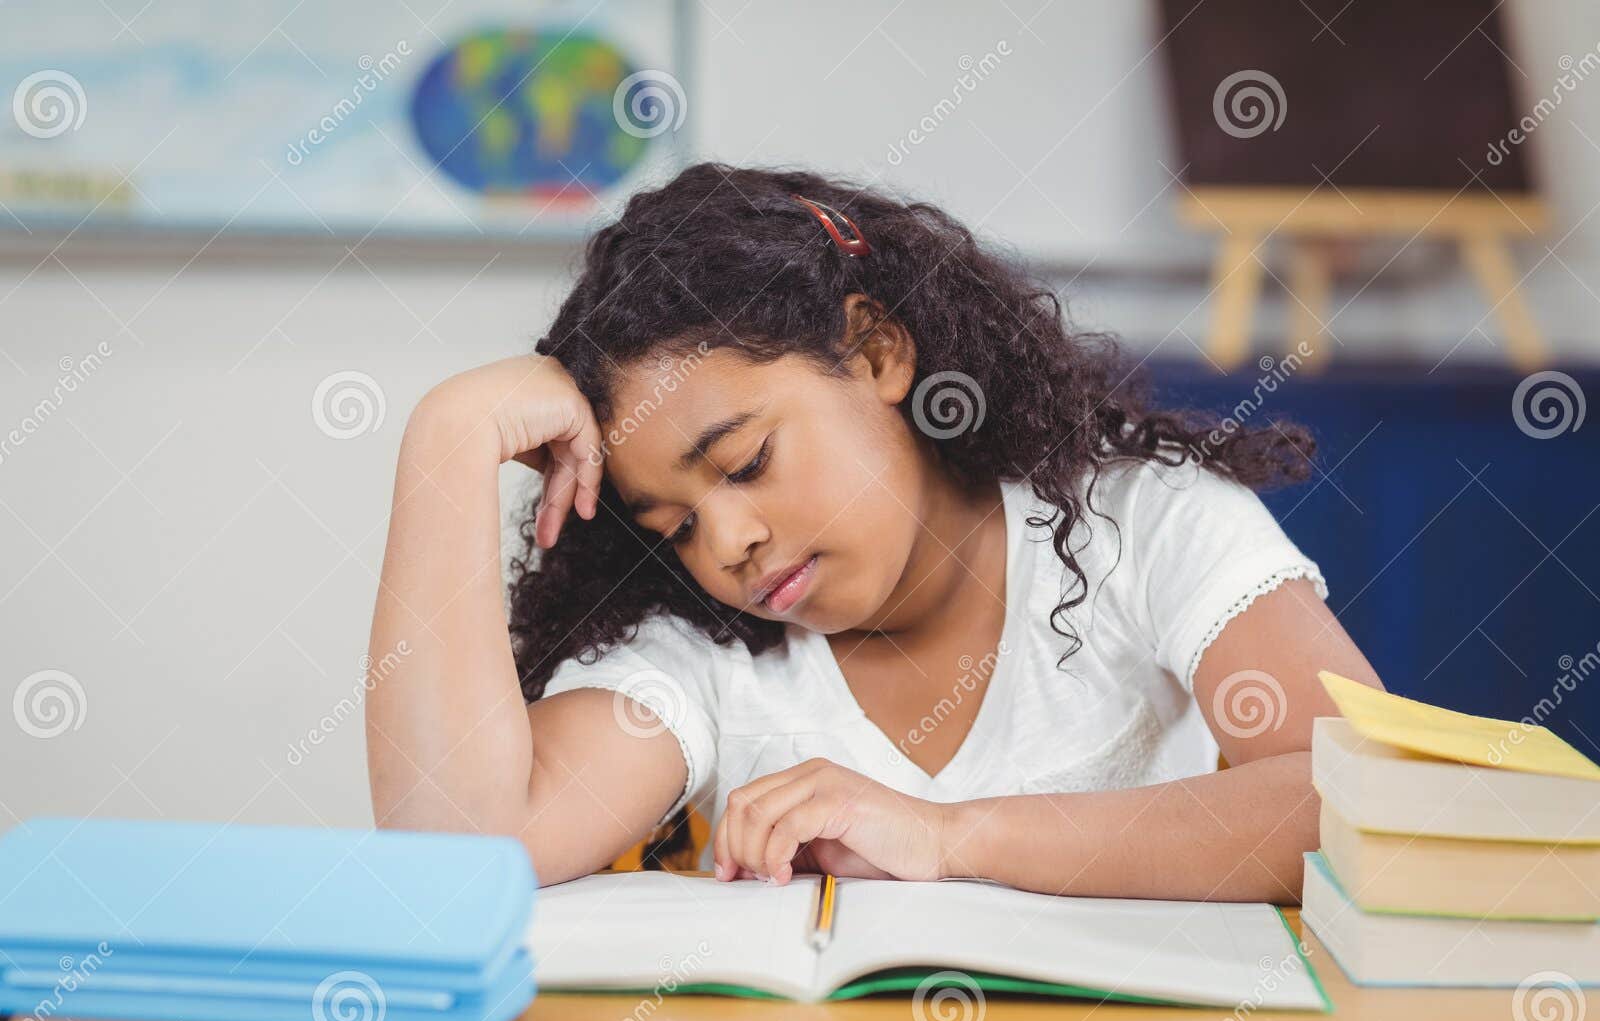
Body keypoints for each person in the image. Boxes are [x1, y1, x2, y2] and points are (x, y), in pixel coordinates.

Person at [365, 163, 1381, 902]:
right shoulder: (708, 649)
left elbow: (1360, 800)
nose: (727, 542)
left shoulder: (1141, 519)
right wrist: (447, 441)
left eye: (746, 463)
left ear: (877, 352)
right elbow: (464, 854)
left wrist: (951, 836)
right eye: (673, 524)